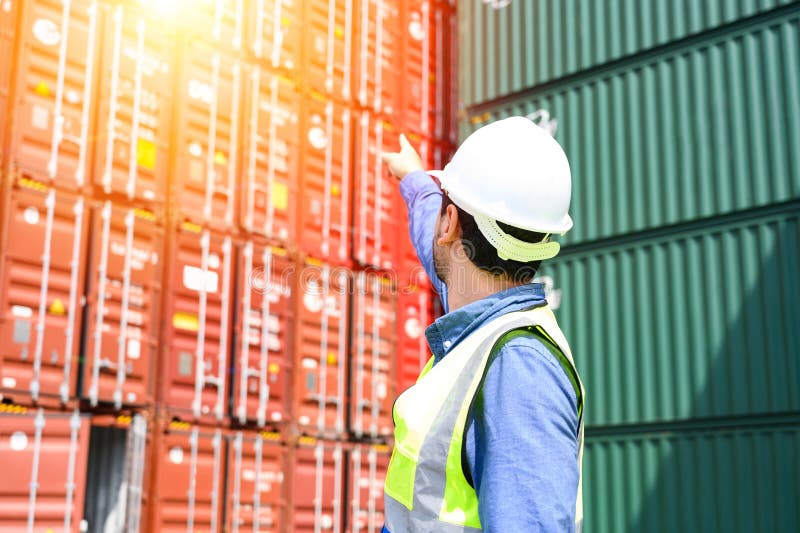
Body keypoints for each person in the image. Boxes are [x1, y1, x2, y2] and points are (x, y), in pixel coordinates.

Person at [379, 117, 585, 532]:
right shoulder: (478, 307)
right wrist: (415, 180)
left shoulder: (520, 370)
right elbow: (433, 239)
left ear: (451, 223)